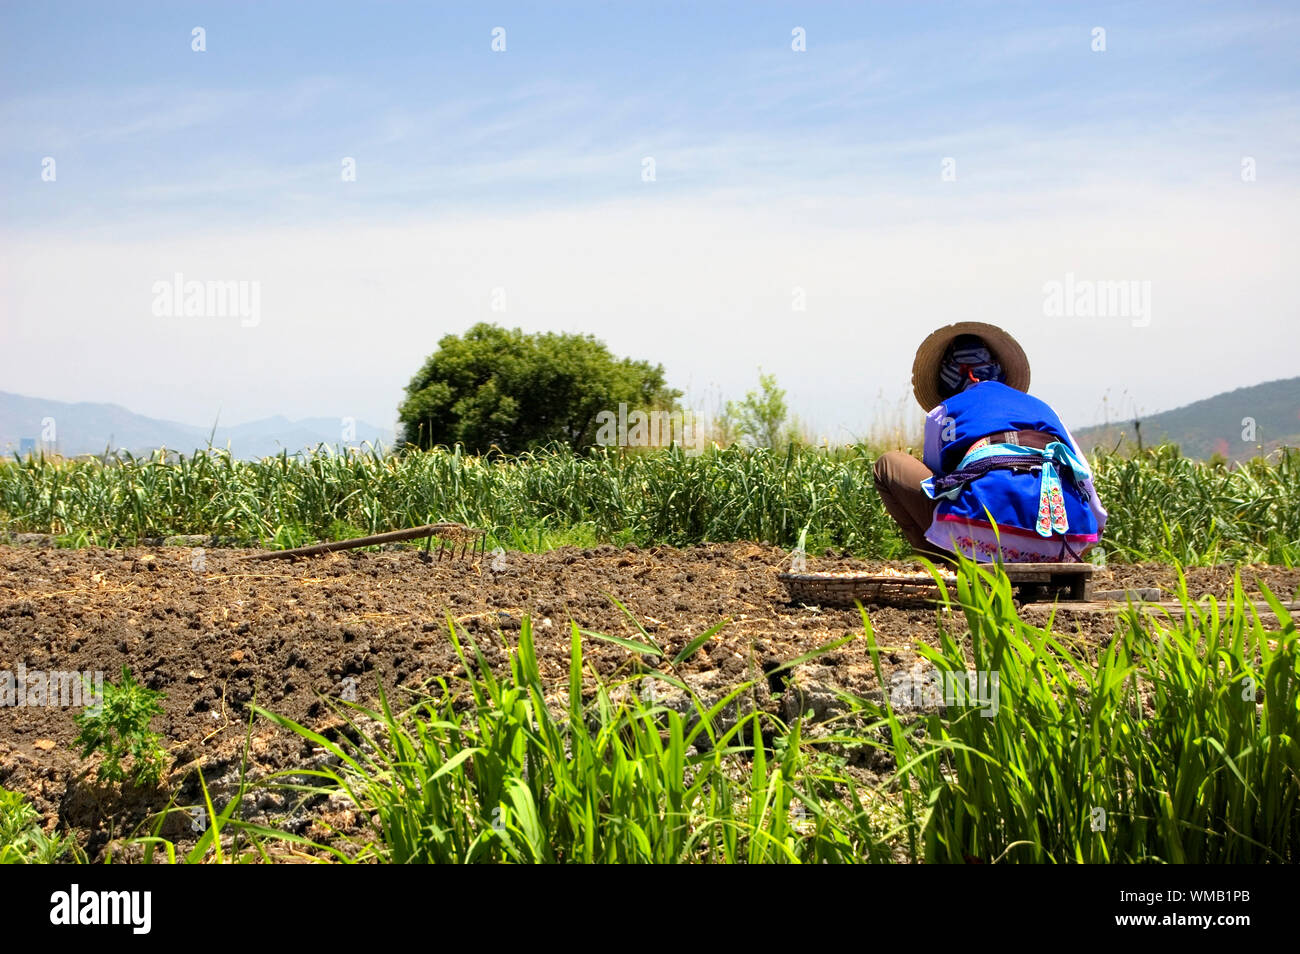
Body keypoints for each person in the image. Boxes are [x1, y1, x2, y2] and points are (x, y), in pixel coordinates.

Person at [873, 322, 1106, 563]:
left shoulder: (944, 412)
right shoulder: (1045, 410)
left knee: (888, 464)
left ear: (946, 380)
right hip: (1066, 542)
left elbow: (938, 482)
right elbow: (1088, 489)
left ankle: (945, 565)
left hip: (979, 538)